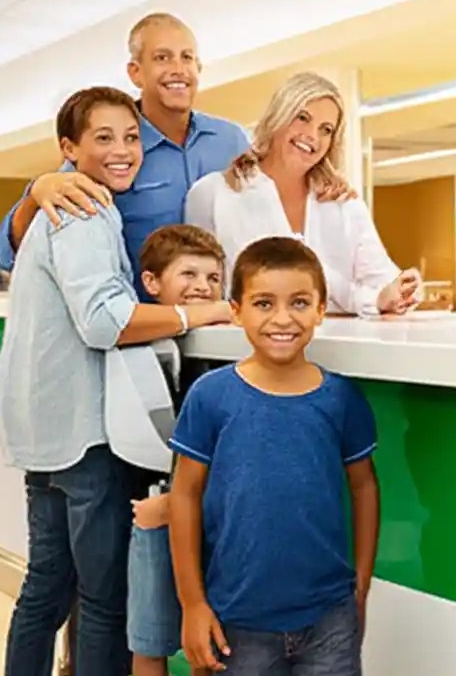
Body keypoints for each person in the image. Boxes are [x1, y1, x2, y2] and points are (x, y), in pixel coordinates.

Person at [0, 87, 233, 676]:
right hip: (85, 435)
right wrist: (197, 313)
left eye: (131, 138)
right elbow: (104, 321)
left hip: (46, 432)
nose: (124, 151)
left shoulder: (60, 206)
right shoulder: (86, 208)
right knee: (102, 599)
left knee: (46, 586)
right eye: (104, 138)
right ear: (69, 148)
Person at [0, 13, 351, 302]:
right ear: (136, 72)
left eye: (187, 58)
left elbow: (278, 188)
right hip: (135, 335)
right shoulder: (113, 149)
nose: (178, 69)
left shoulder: (230, 139)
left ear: (199, 69)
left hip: (220, 327)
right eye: (162, 58)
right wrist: (39, 189)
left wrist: (323, 177)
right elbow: (9, 254)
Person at [169, 237, 380, 675]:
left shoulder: (342, 398)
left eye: (299, 302)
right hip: (237, 620)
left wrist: (359, 587)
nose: (282, 318)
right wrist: (192, 604)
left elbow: (364, 486)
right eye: (264, 303)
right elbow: (185, 494)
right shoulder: (210, 397)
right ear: (236, 309)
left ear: (321, 309)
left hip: (329, 619)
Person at [185, 71, 420, 316]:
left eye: (326, 129)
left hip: (335, 347)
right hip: (239, 346)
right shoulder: (212, 194)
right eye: (302, 118)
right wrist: (368, 299)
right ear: (279, 116)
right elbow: (200, 292)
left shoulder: (343, 203)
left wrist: (400, 290)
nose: (312, 136)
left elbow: (381, 280)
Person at [125, 224, 227, 676]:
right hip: (152, 501)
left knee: (207, 635)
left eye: (213, 277)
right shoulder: (140, 342)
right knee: (149, 635)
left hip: (201, 505)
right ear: (152, 284)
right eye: (189, 274)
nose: (203, 287)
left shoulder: (229, 349)